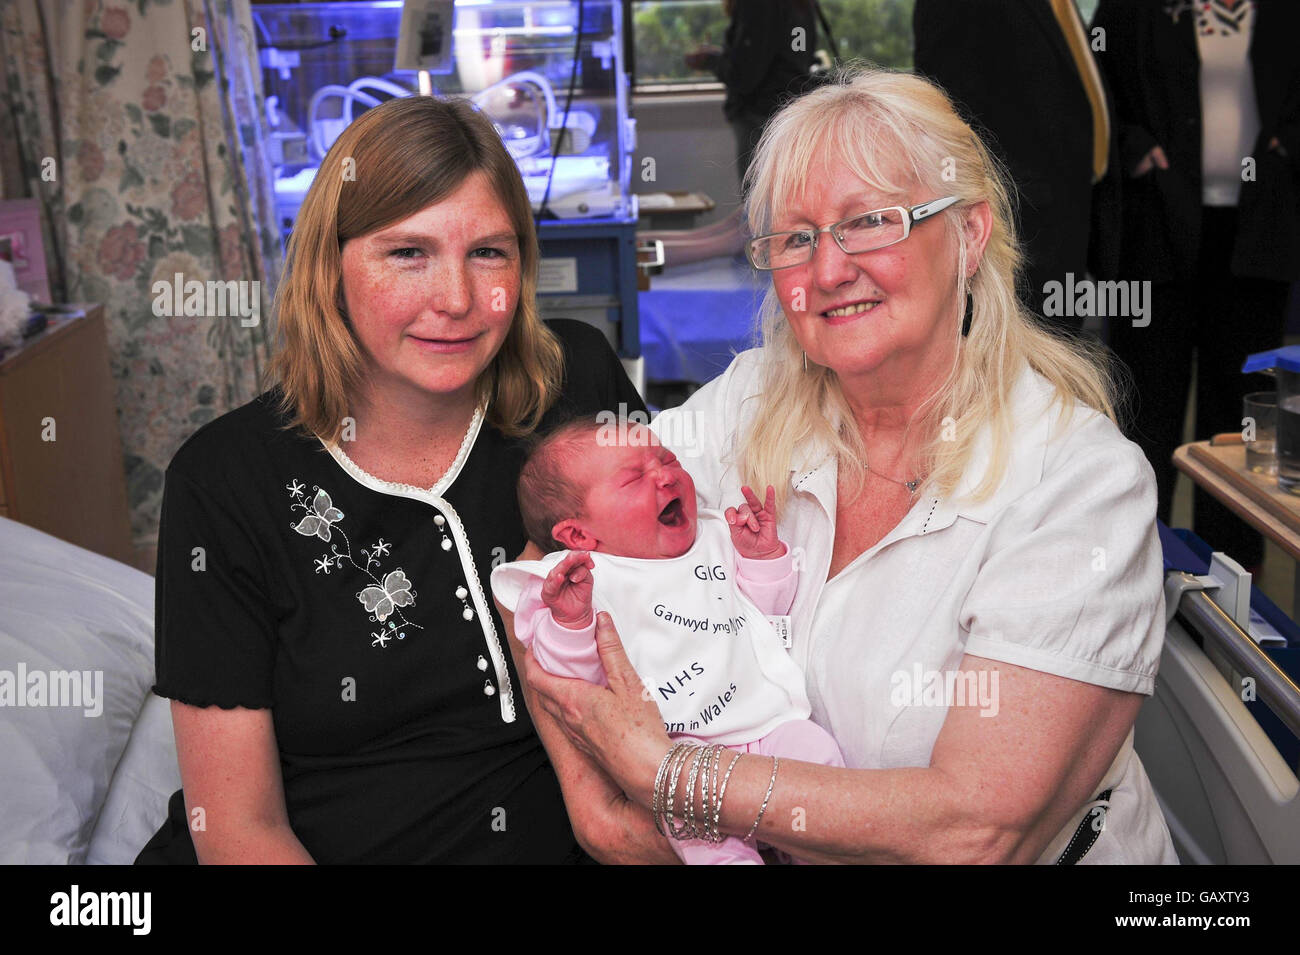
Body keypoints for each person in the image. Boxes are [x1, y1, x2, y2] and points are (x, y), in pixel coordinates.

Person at [505, 67, 1179, 863]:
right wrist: (595, 809)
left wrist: (670, 778)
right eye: (795, 238)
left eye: (869, 222)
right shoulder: (751, 401)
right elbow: (547, 553)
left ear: (968, 234)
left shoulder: (1078, 485)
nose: (827, 271)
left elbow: (974, 829)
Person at [134, 95, 655, 864]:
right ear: (330, 266)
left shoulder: (574, 381)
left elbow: (693, 598)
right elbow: (239, 829)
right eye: (407, 253)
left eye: (489, 252)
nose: (456, 299)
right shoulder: (225, 481)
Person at [489, 419, 844, 864]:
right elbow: (571, 676)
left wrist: (762, 558)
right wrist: (571, 621)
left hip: (766, 727)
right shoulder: (584, 582)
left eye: (668, 459)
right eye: (635, 478)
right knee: (711, 845)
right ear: (579, 535)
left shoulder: (714, 538)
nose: (665, 474)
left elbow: (763, 617)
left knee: (821, 763)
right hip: (676, 754)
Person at [1092, 0, 1300, 570]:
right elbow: (1091, 79)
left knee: (1240, 427)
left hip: (1256, 241)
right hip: (1157, 232)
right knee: (1144, 415)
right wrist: (1133, 148)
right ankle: (1131, 576)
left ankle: (1234, 601)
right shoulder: (1130, 9)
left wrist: (1285, 148)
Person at [913, 0, 1121, 330]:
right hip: (1018, 228)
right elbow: (948, 108)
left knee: (1061, 359)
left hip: (1079, 209)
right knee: (1019, 362)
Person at [685, 0, 818, 180]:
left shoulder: (758, 5)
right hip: (791, 111)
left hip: (761, 118)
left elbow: (744, 75)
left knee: (757, 201)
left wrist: (710, 60)